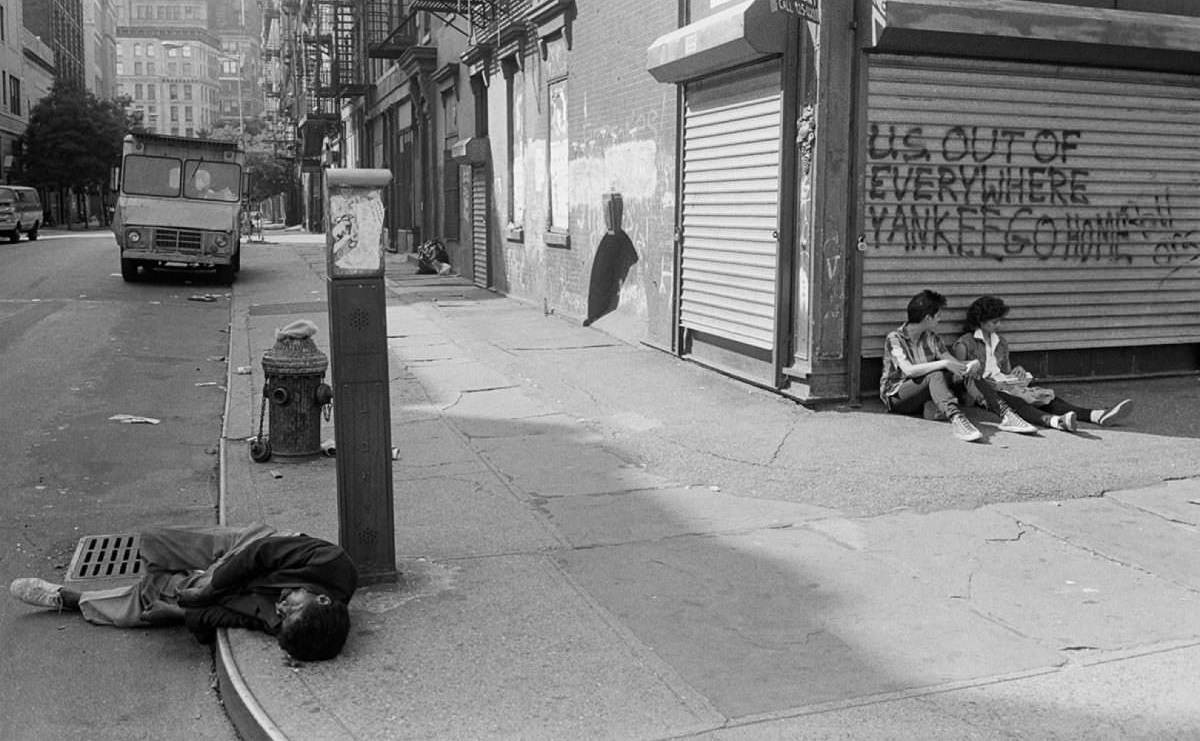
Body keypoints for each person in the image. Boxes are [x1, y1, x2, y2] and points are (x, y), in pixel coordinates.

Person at [9, 523, 358, 662]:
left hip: (235, 586)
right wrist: (209, 588)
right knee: (155, 543)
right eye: (292, 607)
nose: (282, 608)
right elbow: (261, 553)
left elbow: (229, 616)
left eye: (283, 618)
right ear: (323, 599)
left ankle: (70, 600)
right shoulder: (333, 564)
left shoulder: (284, 620)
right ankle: (191, 577)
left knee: (150, 603)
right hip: (247, 548)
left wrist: (180, 614)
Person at [951, 295, 1133, 432]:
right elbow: (960, 378)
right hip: (986, 392)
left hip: (1005, 385)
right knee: (1017, 402)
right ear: (980, 321)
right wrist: (987, 383)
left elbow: (1005, 370)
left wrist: (1018, 371)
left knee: (1045, 397)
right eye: (994, 321)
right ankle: (1055, 422)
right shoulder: (965, 343)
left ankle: (1096, 415)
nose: (998, 325)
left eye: (1000, 321)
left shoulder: (1001, 342)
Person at [880, 289, 1038, 442]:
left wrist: (970, 364)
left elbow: (952, 363)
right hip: (898, 397)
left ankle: (1006, 414)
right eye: (938, 316)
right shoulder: (895, 338)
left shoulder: (932, 338)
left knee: (966, 372)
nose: (940, 320)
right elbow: (909, 370)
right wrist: (944, 363)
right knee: (935, 374)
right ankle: (957, 419)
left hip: (928, 390)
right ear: (928, 318)